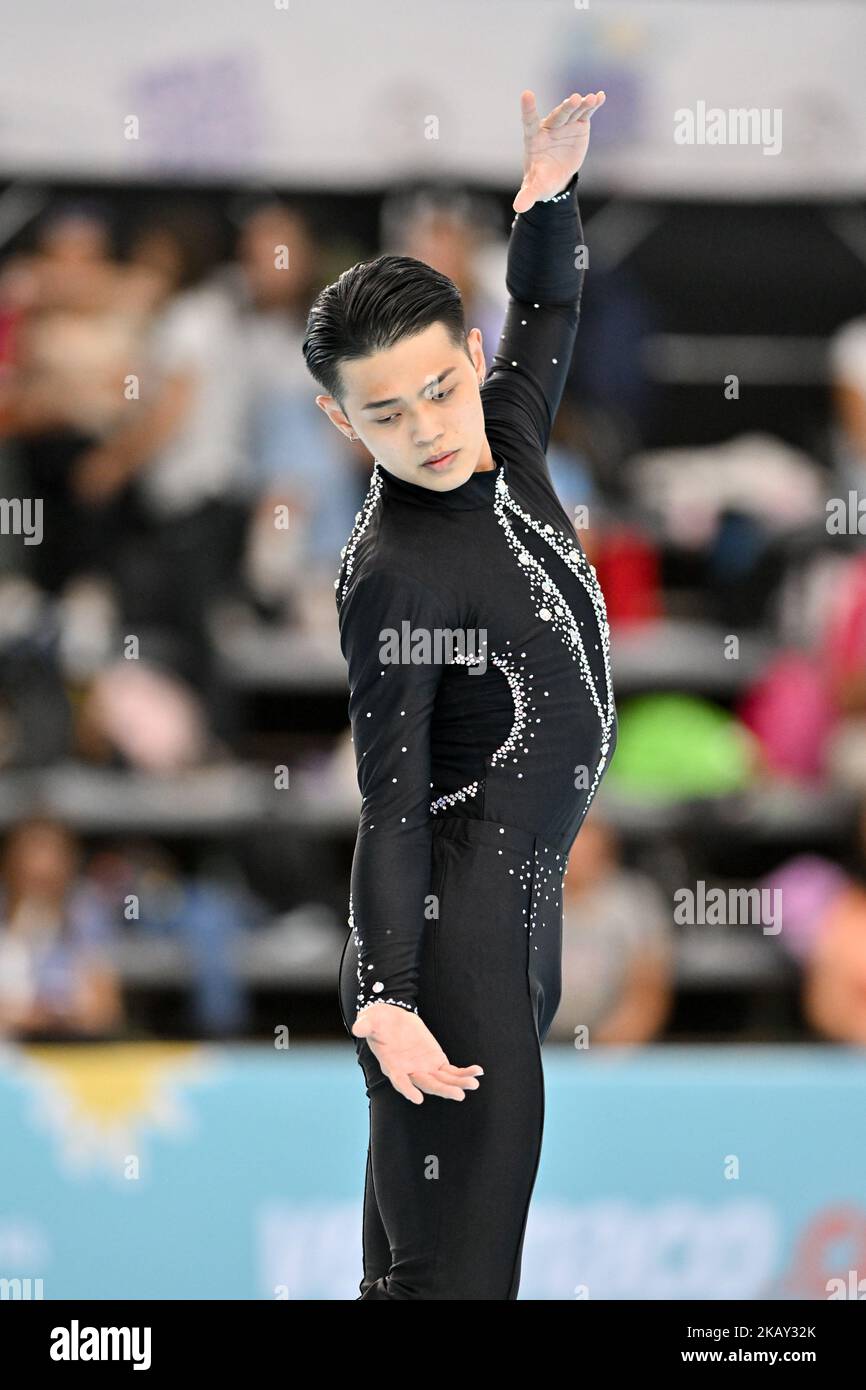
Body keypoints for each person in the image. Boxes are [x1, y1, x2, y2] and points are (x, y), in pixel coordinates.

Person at [303, 89, 616, 1299]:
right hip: (446, 949)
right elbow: (389, 806)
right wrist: (388, 996)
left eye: (439, 389)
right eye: (383, 414)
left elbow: (549, 305)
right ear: (339, 419)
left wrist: (544, 199)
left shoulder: (506, 438)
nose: (427, 430)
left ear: (471, 359)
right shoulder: (397, 570)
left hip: (506, 925)